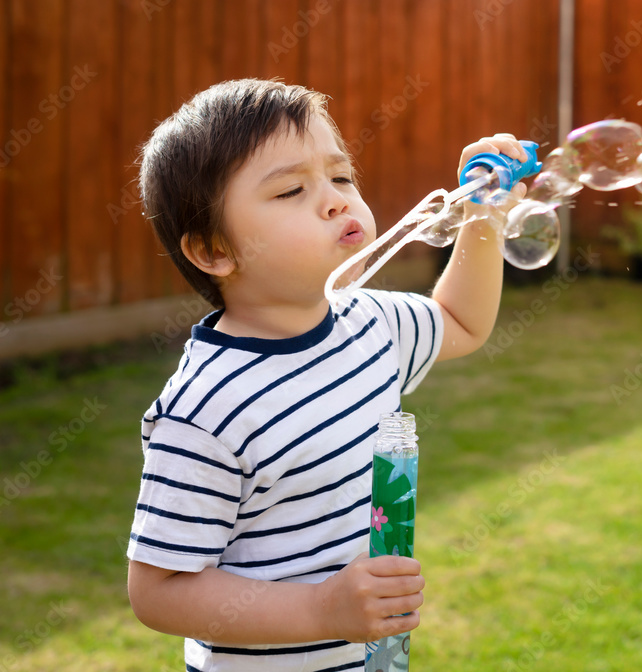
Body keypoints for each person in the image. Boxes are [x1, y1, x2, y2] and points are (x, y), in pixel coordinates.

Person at [126, 78, 527, 671]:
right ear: (214, 251)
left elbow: (460, 321)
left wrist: (483, 213)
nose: (337, 199)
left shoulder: (369, 323)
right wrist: (321, 610)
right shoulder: (208, 406)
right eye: (291, 189)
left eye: (341, 177)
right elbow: (158, 591)